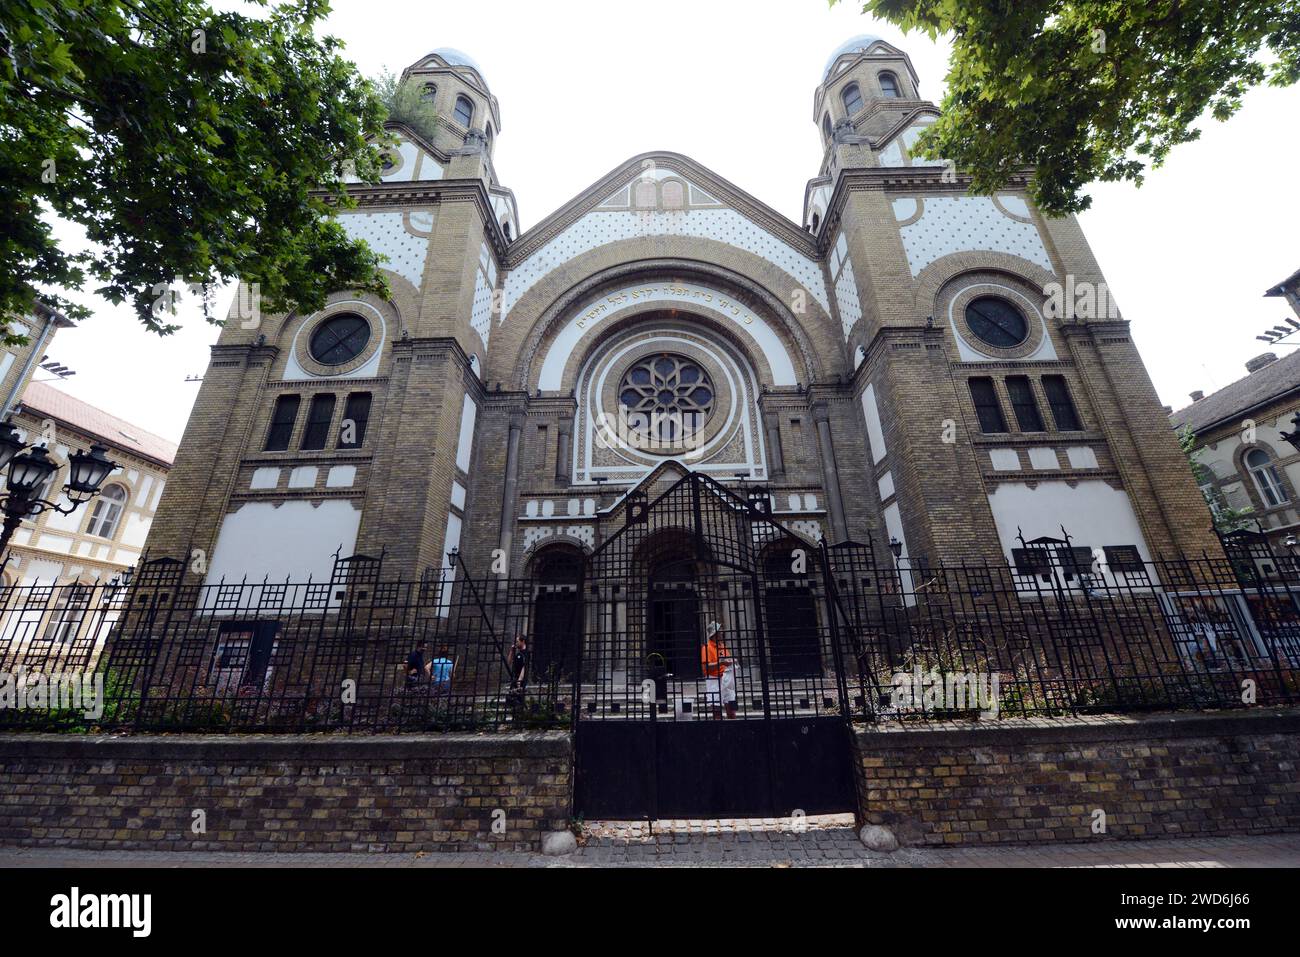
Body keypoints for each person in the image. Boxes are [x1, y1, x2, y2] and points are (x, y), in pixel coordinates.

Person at [701, 621, 737, 719]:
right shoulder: (706, 648)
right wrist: (721, 663)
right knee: (716, 711)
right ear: (715, 634)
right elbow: (706, 667)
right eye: (719, 632)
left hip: (725, 678)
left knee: (732, 709)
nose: (722, 633)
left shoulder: (722, 646)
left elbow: (727, 658)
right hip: (714, 680)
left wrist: (732, 661)